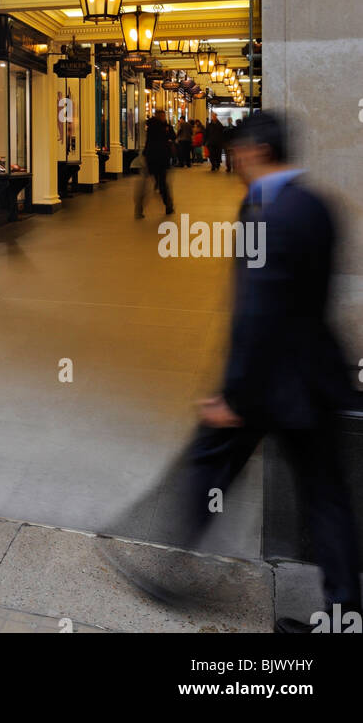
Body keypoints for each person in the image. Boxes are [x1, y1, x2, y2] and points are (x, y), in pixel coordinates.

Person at [109, 111, 362, 632]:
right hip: (316, 379)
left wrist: (233, 392)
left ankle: (167, 568)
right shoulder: (318, 204)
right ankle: (345, 615)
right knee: (326, 497)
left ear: (255, 152)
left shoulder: (265, 212)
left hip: (266, 385)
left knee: (209, 468)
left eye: (239, 153)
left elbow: (258, 310)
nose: (235, 161)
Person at [135, 109, 176, 218]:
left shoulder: (151, 126)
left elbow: (149, 141)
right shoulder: (163, 127)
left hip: (150, 157)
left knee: (146, 183)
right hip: (161, 159)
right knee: (162, 184)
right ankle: (169, 206)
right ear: (160, 116)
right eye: (163, 116)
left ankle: (139, 208)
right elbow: (172, 136)